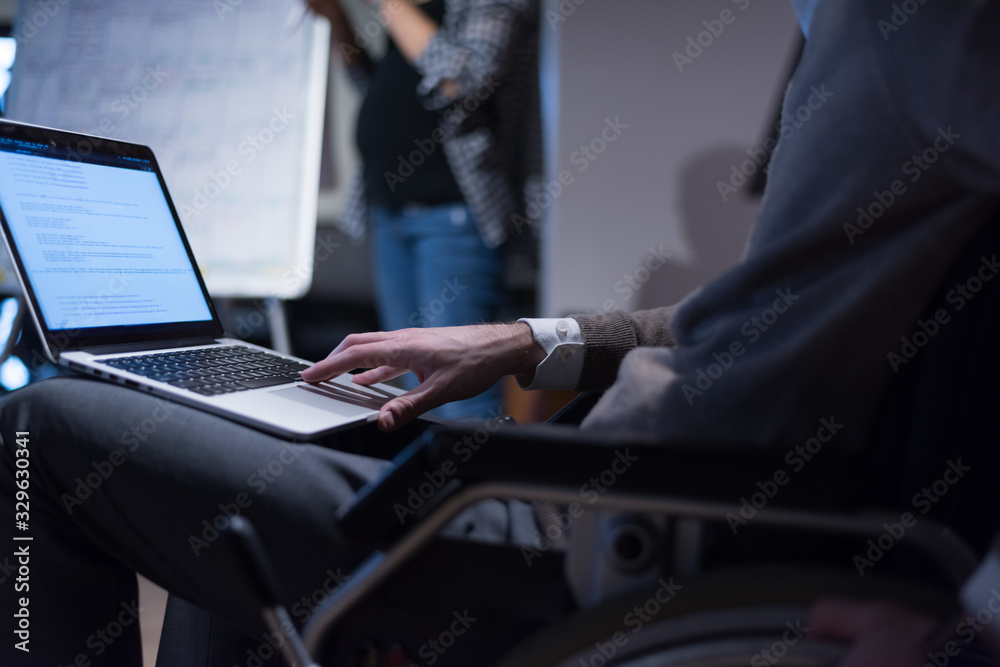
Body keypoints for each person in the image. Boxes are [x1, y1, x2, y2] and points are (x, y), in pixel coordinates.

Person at [3, 0, 1000, 664]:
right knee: (250, 440)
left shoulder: (916, 29)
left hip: (604, 529)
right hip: (593, 487)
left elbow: (461, 74)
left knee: (41, 426)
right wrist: (524, 337)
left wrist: (977, 627)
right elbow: (749, 311)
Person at [306, 0, 542, 420]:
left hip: (453, 218)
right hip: (388, 212)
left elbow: (463, 80)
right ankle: (431, 486)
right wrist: (339, 21)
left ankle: (487, 485)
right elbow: (379, 85)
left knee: (462, 392)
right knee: (413, 385)